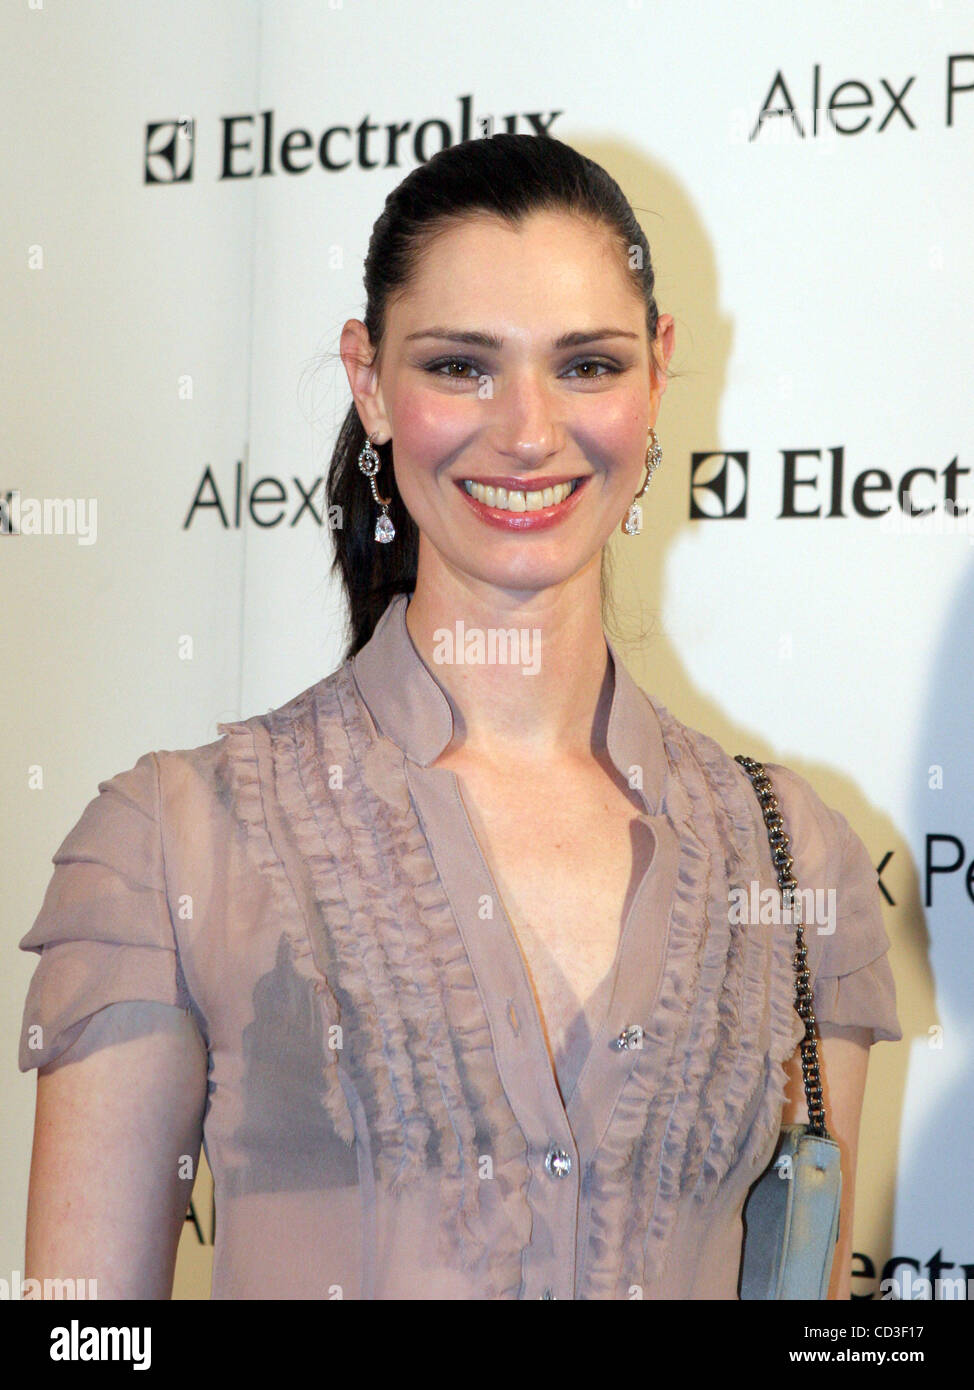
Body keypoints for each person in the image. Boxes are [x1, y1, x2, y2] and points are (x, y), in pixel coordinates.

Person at [18, 133, 901, 1300]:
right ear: (369, 382)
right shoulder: (173, 840)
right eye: (459, 366)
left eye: (585, 364)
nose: (527, 430)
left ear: (654, 377)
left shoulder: (791, 858)